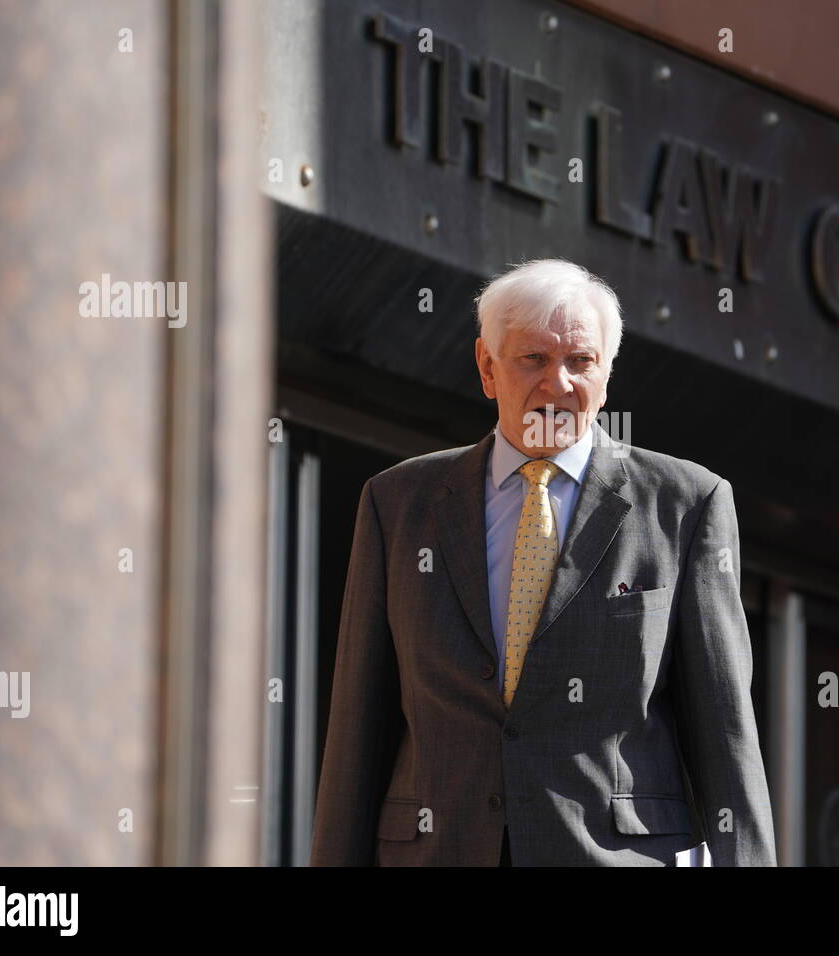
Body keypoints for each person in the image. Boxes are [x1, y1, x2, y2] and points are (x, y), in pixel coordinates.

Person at [309, 258, 776, 866]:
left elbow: (725, 733)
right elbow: (357, 729)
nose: (558, 384)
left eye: (580, 361)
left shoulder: (686, 504)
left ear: (607, 373)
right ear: (487, 366)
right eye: (533, 359)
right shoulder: (398, 504)